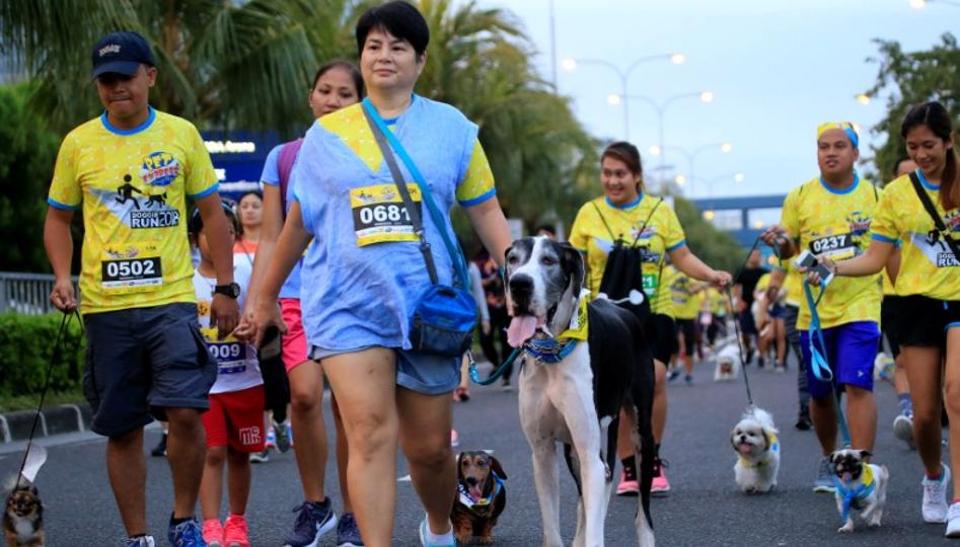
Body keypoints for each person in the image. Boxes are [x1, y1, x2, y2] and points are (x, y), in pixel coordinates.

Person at [249, 3, 512, 545]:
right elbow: (298, 224)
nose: (384, 56)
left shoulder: (453, 130)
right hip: (347, 305)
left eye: (398, 47)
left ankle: (438, 526)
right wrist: (263, 295)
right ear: (361, 57)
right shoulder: (326, 136)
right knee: (369, 433)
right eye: (373, 45)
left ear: (420, 60)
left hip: (427, 309)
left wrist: (520, 282)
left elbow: (486, 211)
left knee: (430, 450)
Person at [43, 31, 239, 546]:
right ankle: (138, 537)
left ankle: (183, 521)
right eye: (106, 81)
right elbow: (58, 219)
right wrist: (63, 277)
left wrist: (225, 286)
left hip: (171, 301)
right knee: (123, 427)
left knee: (186, 411)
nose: (116, 89)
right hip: (106, 310)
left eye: (125, 78)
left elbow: (214, 216)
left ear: (149, 76)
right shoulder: (79, 143)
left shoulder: (180, 135)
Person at [814, 102, 959, 535]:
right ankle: (935, 476)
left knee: (957, 393)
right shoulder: (897, 193)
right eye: (913, 147)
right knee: (927, 415)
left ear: (949, 141)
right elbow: (876, 257)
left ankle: (958, 502)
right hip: (914, 305)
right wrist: (834, 266)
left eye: (929, 145)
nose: (921, 154)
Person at [238, 60, 364, 546]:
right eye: (325, 91)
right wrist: (258, 299)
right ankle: (318, 506)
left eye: (345, 94)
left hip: (350, 294)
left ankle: (355, 511)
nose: (333, 100)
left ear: (361, 101)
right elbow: (271, 235)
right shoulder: (284, 157)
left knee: (351, 408)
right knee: (306, 397)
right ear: (310, 97)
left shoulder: (371, 153)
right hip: (294, 295)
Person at [568, 141, 731, 497]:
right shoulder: (588, 214)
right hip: (605, 317)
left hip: (655, 312)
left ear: (637, 176)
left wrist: (711, 274)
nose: (612, 181)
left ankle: (651, 458)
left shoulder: (660, 211)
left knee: (653, 380)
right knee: (618, 390)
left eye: (620, 174)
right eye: (607, 173)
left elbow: (682, 256)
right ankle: (627, 467)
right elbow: (574, 266)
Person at [761, 121, 882, 494]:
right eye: (823, 146)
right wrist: (780, 243)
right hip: (814, 311)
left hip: (861, 305)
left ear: (855, 153)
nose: (830, 153)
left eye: (840, 146)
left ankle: (861, 472)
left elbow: (886, 250)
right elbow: (789, 253)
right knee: (820, 393)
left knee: (857, 384)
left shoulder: (876, 197)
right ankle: (832, 459)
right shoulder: (799, 197)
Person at [191, 204, 262, 547]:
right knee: (212, 452)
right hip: (206, 386)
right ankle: (210, 526)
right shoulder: (187, 282)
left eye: (228, 230)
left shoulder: (250, 275)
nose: (221, 236)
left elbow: (266, 320)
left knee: (239, 454)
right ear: (194, 239)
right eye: (210, 231)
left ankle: (237, 521)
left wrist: (256, 326)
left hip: (246, 380)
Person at [882, 157, 919, 450]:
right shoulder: (887, 207)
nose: (909, 180)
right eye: (903, 175)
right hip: (894, 296)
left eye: (915, 174)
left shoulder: (944, 200)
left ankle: (930, 413)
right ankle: (910, 412)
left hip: (938, 294)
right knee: (903, 359)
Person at [475, 249, 511, 388]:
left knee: (506, 341)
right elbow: (476, 282)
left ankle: (506, 376)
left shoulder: (508, 259)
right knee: (485, 339)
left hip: (506, 307)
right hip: (488, 307)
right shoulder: (480, 262)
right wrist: (489, 281)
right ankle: (496, 364)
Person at [666, 270, 702, 385]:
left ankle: (688, 373)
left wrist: (705, 284)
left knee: (689, 344)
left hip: (688, 315)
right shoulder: (667, 271)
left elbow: (694, 290)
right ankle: (674, 368)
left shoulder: (690, 273)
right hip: (672, 313)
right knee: (672, 343)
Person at [733, 249, 765, 366]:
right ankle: (749, 349)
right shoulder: (742, 271)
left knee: (760, 331)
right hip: (745, 305)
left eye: (757, 255)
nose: (754, 257)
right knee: (744, 331)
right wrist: (739, 300)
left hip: (760, 305)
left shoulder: (764, 272)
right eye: (752, 255)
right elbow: (736, 286)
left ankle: (761, 356)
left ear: (760, 257)